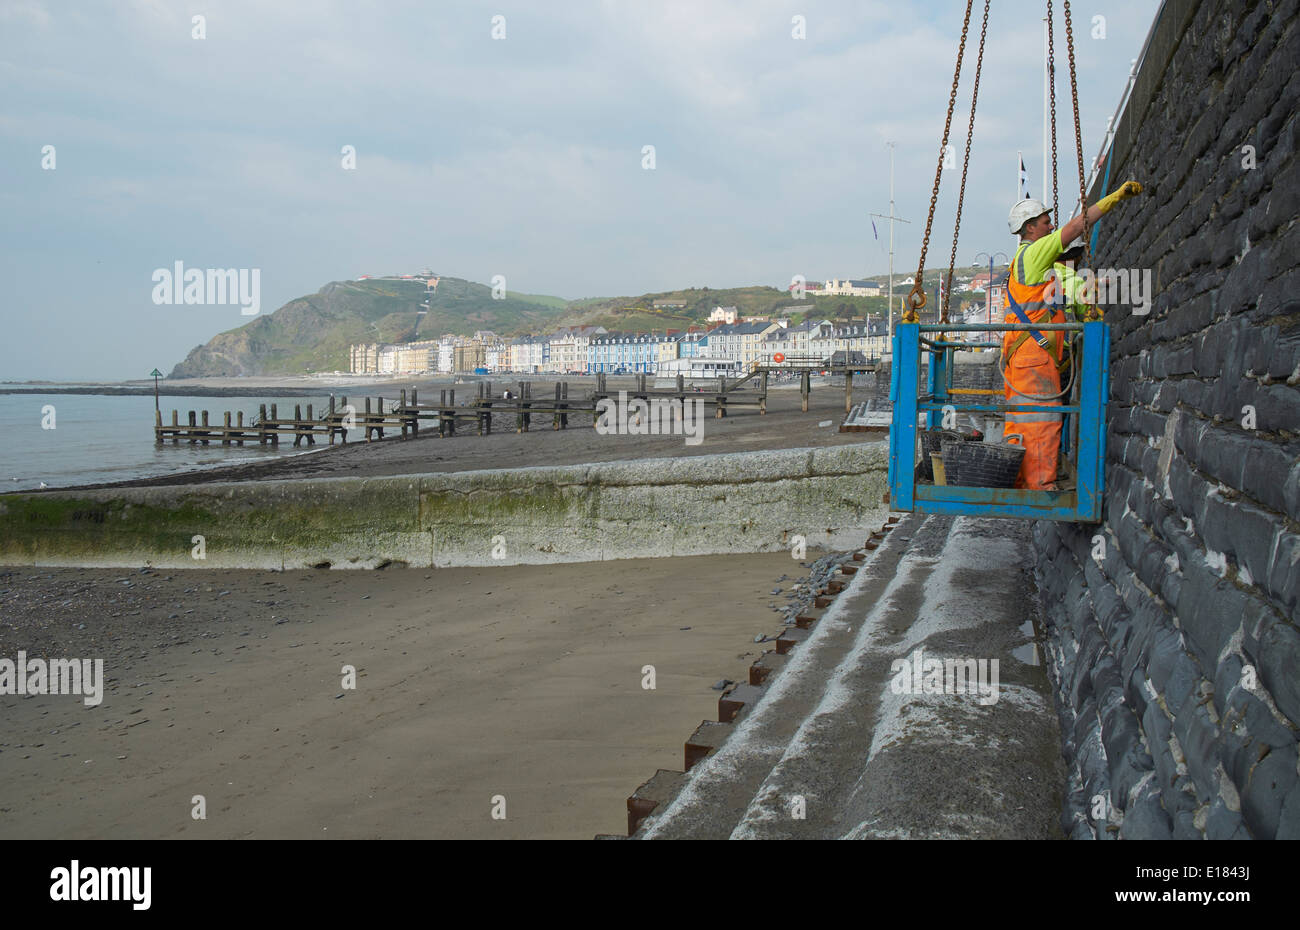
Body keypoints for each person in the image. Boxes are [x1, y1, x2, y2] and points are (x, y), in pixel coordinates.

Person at [1001, 181, 1142, 489]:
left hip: (1028, 356)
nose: (1050, 226)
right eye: (1045, 222)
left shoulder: (1035, 263)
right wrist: (1114, 198)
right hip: (1032, 357)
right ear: (1030, 229)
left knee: (1027, 418)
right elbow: (1078, 225)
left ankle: (1024, 479)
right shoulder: (1035, 253)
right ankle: (1039, 485)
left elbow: (1067, 290)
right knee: (1041, 419)